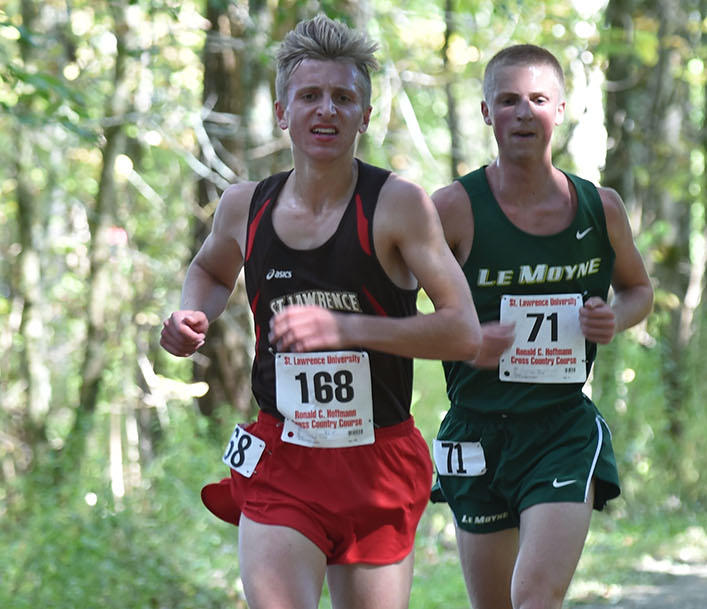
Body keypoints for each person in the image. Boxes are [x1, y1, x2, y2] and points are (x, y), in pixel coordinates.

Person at [159, 15, 481, 609]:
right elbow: (208, 271)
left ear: (363, 113)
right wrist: (189, 316)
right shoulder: (242, 208)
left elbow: (463, 331)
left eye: (342, 97)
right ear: (283, 112)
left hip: (377, 460)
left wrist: (347, 328)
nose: (325, 110)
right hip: (284, 456)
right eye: (309, 96)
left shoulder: (398, 206)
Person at [429, 44, 654, 609]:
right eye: (507, 100)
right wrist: (464, 338)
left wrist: (614, 318)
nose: (523, 113)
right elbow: (394, 307)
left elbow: (638, 290)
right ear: (486, 113)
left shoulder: (598, 207)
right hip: (476, 430)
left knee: (533, 596)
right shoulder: (452, 208)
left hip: (560, 428)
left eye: (537, 99)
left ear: (561, 108)